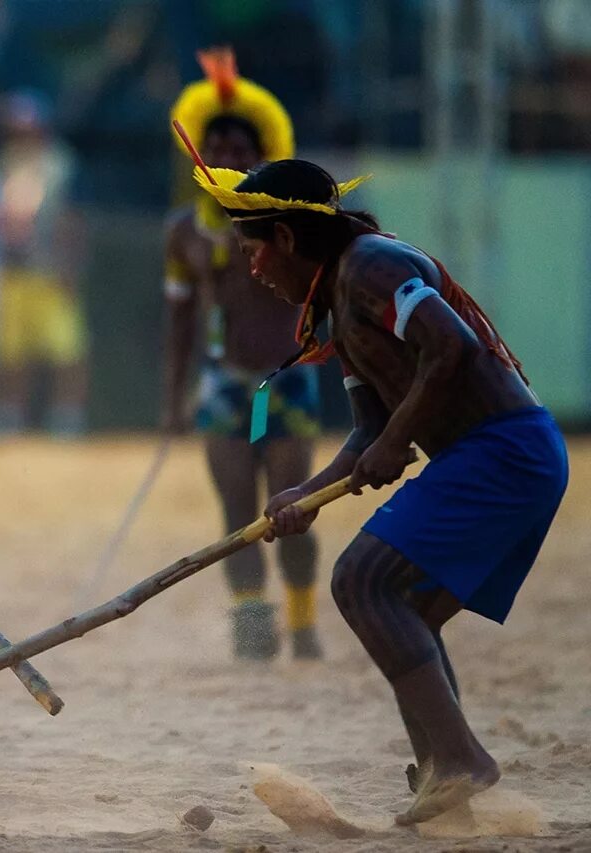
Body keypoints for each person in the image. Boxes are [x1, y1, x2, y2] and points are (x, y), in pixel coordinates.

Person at [189, 154, 566, 823]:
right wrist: (304, 492)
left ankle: (459, 759)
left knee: (360, 581)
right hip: (497, 455)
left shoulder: (371, 265)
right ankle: (445, 788)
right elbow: (371, 430)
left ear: (284, 238)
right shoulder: (333, 307)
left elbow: (450, 349)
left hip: (506, 449)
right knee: (402, 609)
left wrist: (397, 443)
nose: (252, 270)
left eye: (254, 251)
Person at [165, 49, 322, 660]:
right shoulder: (185, 232)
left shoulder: (290, 223)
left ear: (262, 157)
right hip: (225, 386)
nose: (229, 160)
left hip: (285, 383)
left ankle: (304, 624)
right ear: (200, 155)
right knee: (236, 514)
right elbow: (179, 319)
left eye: (241, 151)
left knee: (293, 511)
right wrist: (172, 396)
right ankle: (255, 634)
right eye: (219, 149)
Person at [0, 89, 87, 431]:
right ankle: (11, 413)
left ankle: (67, 416)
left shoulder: (60, 162)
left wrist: (69, 264)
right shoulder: (8, 159)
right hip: (15, 267)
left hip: (49, 267)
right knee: (12, 349)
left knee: (65, 346)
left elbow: (71, 217)